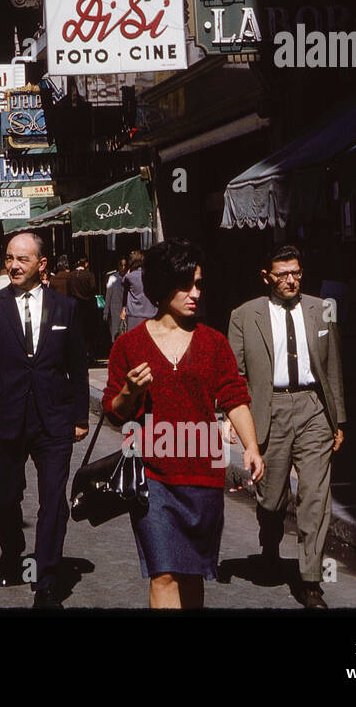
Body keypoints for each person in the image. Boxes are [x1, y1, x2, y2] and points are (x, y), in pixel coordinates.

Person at [104, 239, 264, 610]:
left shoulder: (213, 343)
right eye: (186, 285)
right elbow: (115, 411)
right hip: (152, 477)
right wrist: (130, 390)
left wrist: (251, 447)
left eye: (199, 284)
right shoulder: (130, 345)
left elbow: (234, 397)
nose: (195, 293)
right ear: (162, 286)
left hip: (203, 476)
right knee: (164, 573)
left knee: (193, 573)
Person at [0, 232, 90, 609]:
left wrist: (79, 416)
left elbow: (78, 368)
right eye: (9, 259)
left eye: (23, 259)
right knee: (5, 495)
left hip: (54, 421)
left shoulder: (64, 308)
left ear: (42, 264)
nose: (14, 266)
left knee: (54, 501)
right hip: (3, 419)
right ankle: (12, 553)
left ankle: (45, 580)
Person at [228, 243, 346, 609]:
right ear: (267, 277)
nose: (291, 280)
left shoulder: (320, 309)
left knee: (314, 496)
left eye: (296, 272)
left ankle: (310, 580)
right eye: (283, 274)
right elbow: (235, 376)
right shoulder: (244, 316)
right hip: (270, 409)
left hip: (313, 408)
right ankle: (270, 544)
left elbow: (333, 368)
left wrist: (338, 418)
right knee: (272, 496)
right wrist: (233, 417)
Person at [120, 249, 155, 331]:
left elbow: (123, 282)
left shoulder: (130, 277)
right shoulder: (151, 275)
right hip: (150, 312)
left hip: (134, 314)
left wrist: (128, 273)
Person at [104, 257, 127, 350]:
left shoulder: (129, 277)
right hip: (115, 308)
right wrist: (106, 311)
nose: (123, 267)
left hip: (126, 308)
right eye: (121, 265)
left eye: (125, 265)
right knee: (115, 330)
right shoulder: (113, 278)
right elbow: (108, 295)